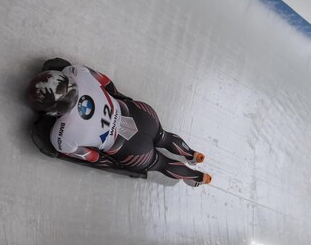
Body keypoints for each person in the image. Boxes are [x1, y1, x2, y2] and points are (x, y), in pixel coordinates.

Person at [26, 58, 212, 187]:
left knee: (161, 163)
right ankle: (193, 155)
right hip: (142, 116)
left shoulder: (62, 135)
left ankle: (198, 177)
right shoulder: (75, 71)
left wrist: (114, 162)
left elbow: (94, 158)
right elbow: (107, 83)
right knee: (163, 136)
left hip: (133, 151)